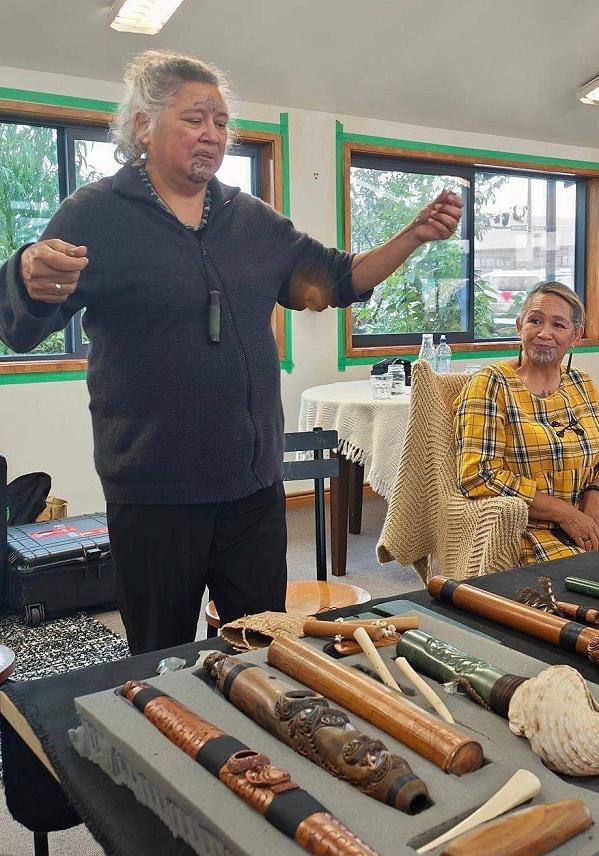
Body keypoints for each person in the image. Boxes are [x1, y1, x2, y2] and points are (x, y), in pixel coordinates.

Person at [0, 50, 462, 653]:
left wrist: (414, 235)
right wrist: (26, 272)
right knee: (162, 656)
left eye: (221, 123)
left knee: (263, 649)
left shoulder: (250, 220)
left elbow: (335, 280)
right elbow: (25, 325)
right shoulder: (96, 215)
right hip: (154, 490)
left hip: (251, 486)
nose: (213, 135)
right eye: (196, 119)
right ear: (143, 124)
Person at [454, 281, 599, 563]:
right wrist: (564, 513)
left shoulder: (582, 383)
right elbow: (478, 475)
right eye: (535, 321)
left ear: (576, 335)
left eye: (558, 325)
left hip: (595, 524)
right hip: (529, 530)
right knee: (585, 596)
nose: (544, 333)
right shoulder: (491, 384)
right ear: (520, 326)